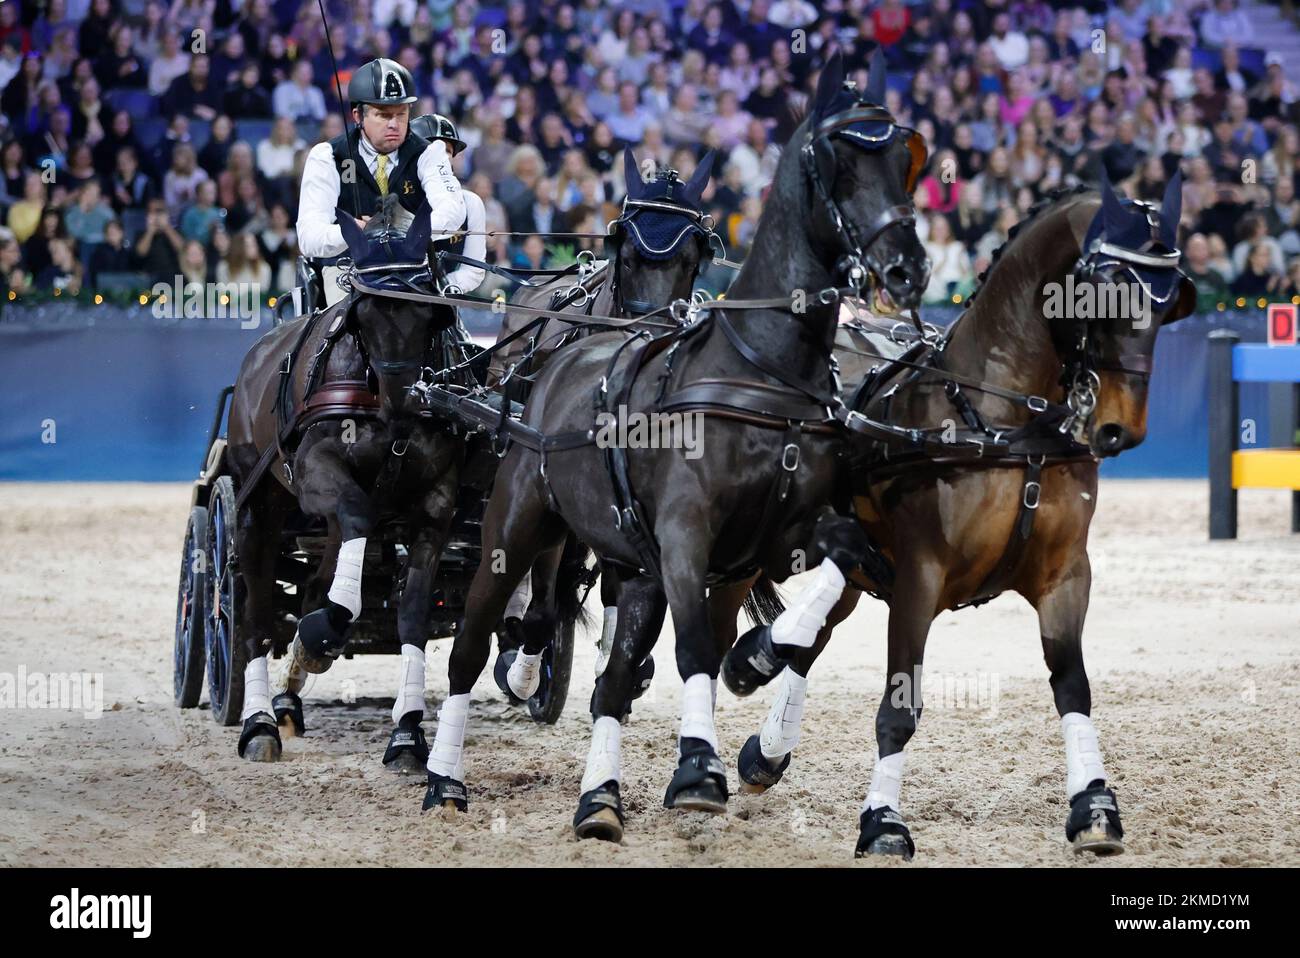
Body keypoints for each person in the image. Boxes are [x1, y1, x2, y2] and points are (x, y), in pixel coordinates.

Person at [296, 58, 467, 308]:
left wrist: (406, 232)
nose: (394, 124)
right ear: (358, 115)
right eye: (383, 115)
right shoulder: (327, 156)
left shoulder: (429, 153)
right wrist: (355, 233)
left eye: (402, 114)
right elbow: (309, 237)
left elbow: (453, 212)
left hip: (412, 269)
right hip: (347, 269)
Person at [410, 113, 485, 295]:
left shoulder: (471, 203)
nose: (440, 157)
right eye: (431, 149)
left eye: (447, 151)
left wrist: (441, 287)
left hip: (443, 300)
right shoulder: (394, 199)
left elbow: (474, 269)